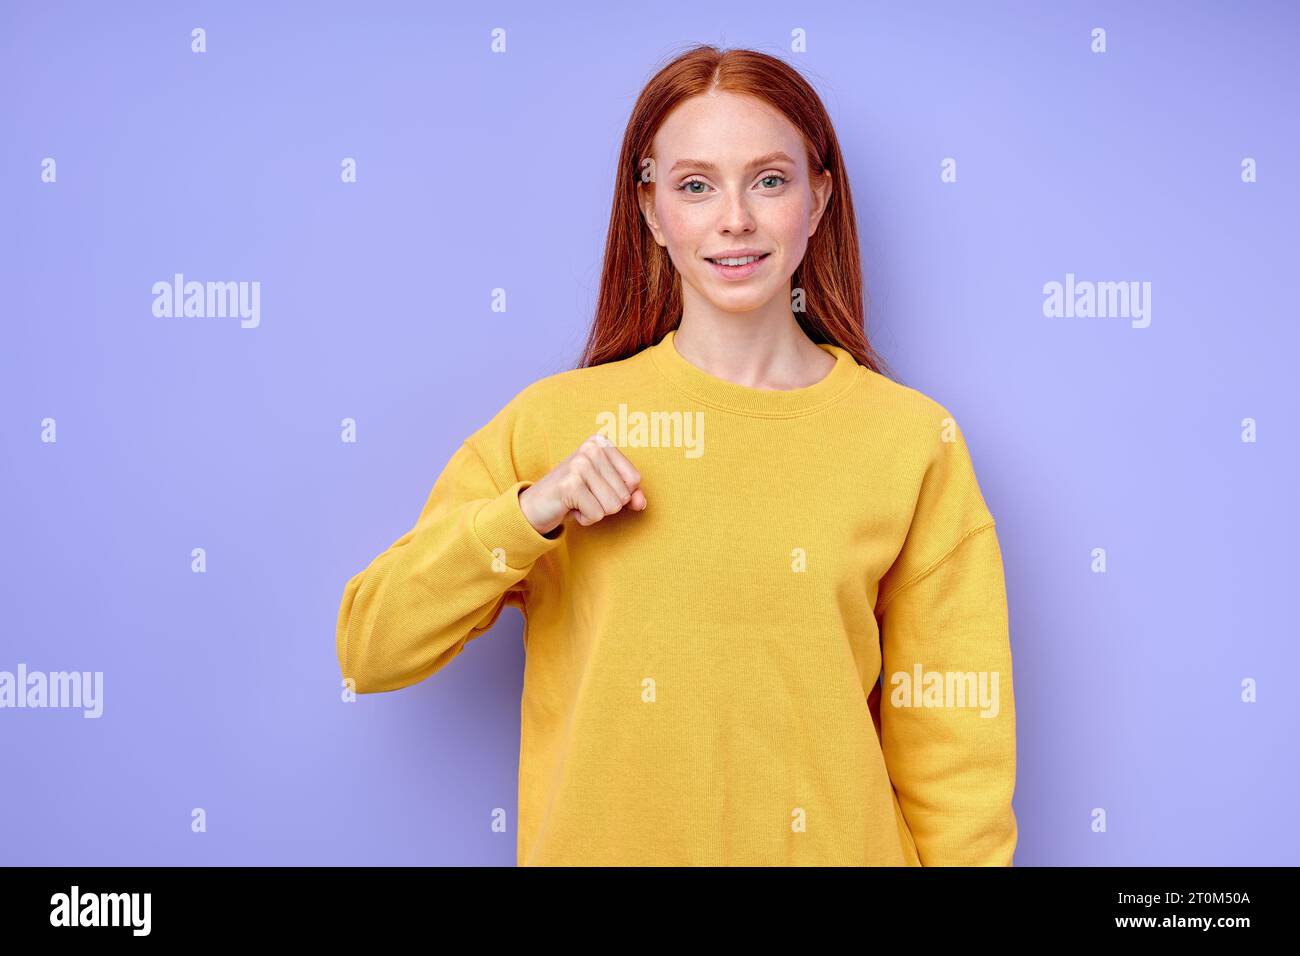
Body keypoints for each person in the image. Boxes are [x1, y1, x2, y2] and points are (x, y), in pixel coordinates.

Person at [335, 44, 1016, 866]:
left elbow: (958, 756)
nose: (735, 218)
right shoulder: (558, 424)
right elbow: (369, 649)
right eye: (696, 185)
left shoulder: (911, 441)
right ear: (652, 212)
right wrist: (528, 515)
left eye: (769, 179)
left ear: (819, 197)